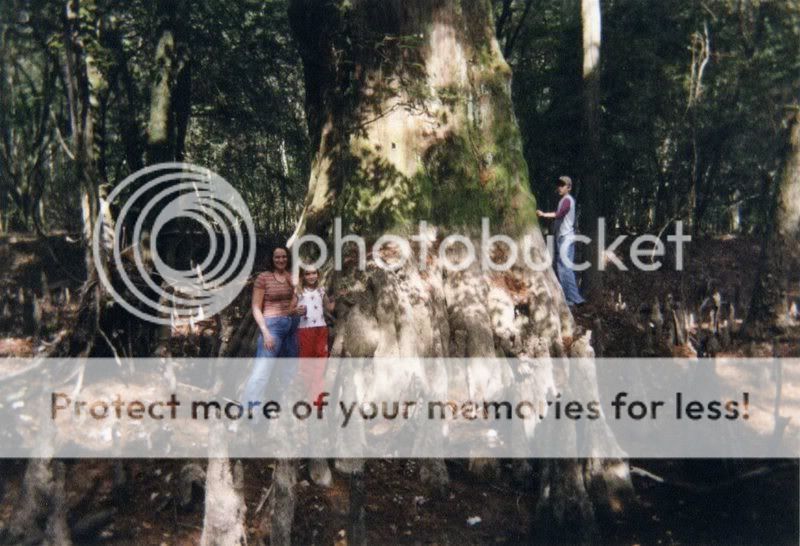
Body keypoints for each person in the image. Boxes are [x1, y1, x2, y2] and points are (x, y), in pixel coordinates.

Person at [241, 246, 306, 406]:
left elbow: (295, 296)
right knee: (261, 373)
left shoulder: (290, 277)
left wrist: (294, 309)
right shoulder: (264, 278)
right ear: (272, 259)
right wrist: (266, 332)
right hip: (272, 327)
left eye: (284, 257)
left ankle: (282, 410)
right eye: (277, 257)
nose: (281, 260)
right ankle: (249, 412)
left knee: (289, 369)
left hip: (291, 325)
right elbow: (256, 307)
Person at [536, 175, 586, 306]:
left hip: (566, 238)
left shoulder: (567, 200)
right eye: (559, 185)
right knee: (564, 267)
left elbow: (560, 214)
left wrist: (543, 214)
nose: (559, 187)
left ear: (569, 187)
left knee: (564, 268)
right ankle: (571, 298)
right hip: (565, 237)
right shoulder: (565, 199)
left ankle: (574, 298)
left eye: (562, 185)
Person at [296, 267, 335, 403]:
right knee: (306, 362)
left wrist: (337, 296)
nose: (311, 276)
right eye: (308, 274)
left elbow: (329, 308)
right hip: (305, 329)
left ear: (318, 275)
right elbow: (291, 308)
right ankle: (305, 393)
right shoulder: (298, 291)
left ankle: (317, 398)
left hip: (321, 329)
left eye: (314, 273)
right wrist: (296, 310)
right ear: (303, 276)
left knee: (320, 361)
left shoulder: (321, 290)